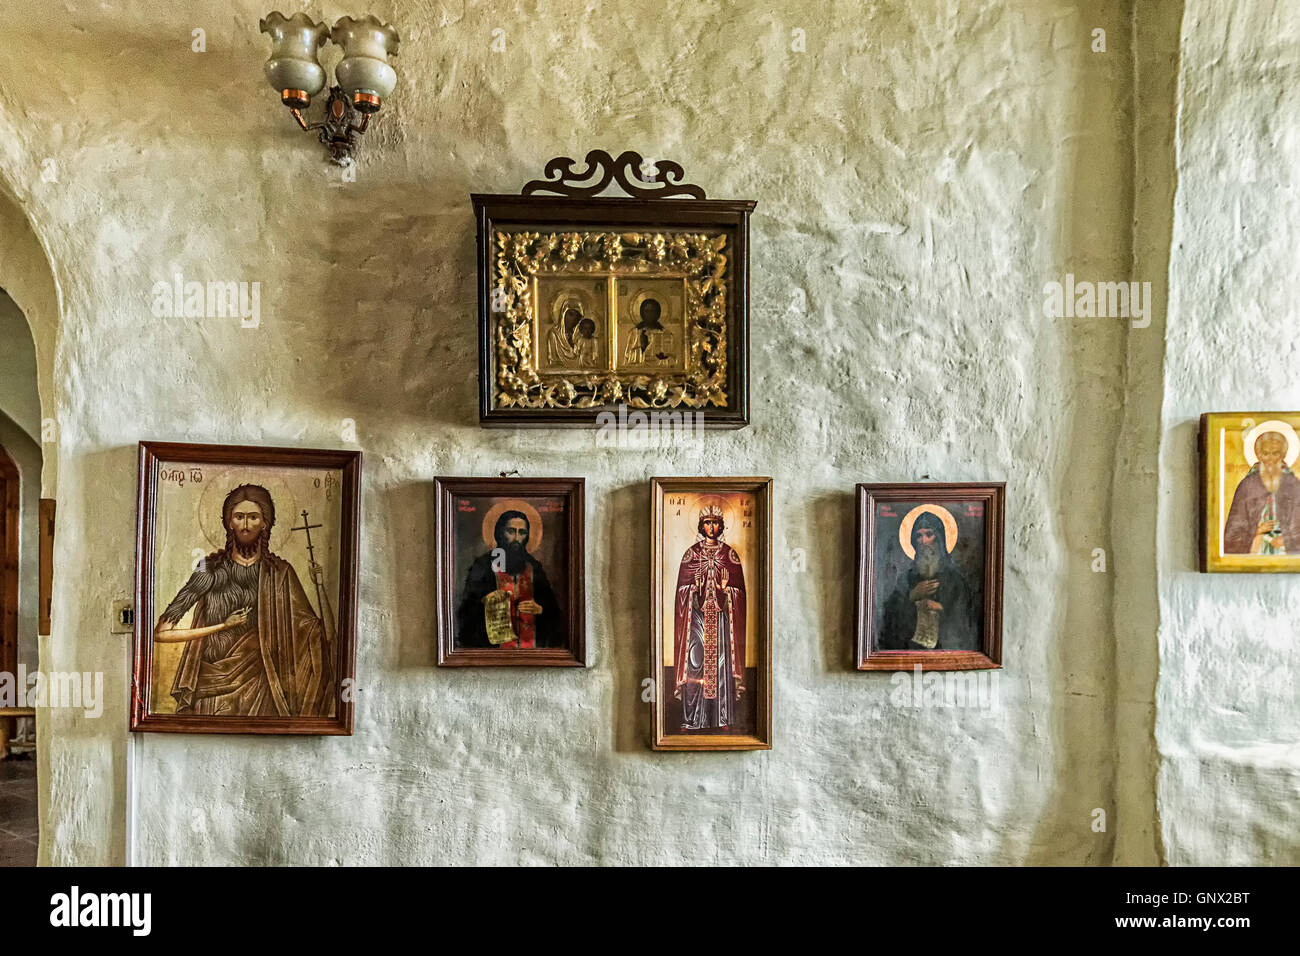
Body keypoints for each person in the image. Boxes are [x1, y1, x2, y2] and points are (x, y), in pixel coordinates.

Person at [155, 484, 336, 717]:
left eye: (254, 517)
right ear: (229, 522)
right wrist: (222, 626)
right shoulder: (207, 569)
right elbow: (161, 633)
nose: (246, 525)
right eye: (239, 517)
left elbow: (319, 636)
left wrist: (320, 587)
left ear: (265, 523)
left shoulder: (280, 574)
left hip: (265, 688)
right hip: (212, 689)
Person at [672, 506, 747, 730]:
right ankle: (693, 719)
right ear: (701, 526)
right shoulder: (691, 554)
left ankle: (721, 718)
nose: (711, 527)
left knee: (721, 665)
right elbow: (680, 592)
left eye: (715, 523)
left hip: (721, 619)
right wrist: (693, 588)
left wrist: (726, 590)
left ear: (721, 526)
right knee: (695, 663)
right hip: (696, 618)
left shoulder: (729, 555)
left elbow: (740, 593)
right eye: (707, 522)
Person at [456, 511, 563, 648]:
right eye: (511, 531)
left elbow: (553, 611)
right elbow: (465, 612)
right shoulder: (483, 566)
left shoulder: (534, 568)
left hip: (531, 650)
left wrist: (540, 609)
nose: (517, 538)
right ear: (500, 533)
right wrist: (484, 603)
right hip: (494, 651)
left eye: (522, 532)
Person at [879, 510, 977, 651]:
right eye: (919, 536)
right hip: (911, 650)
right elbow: (890, 617)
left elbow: (967, 619)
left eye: (929, 535)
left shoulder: (955, 579)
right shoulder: (907, 578)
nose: (923, 541)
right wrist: (912, 596)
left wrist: (940, 609)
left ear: (939, 540)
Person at [1223, 430, 1300, 554]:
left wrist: (1286, 539)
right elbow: (1233, 531)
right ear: (1258, 455)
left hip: (1286, 551)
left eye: (1276, 453)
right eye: (1265, 453)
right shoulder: (1247, 486)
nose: (1270, 459)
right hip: (1255, 548)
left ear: (1283, 455)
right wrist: (1256, 531)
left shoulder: (1293, 486)